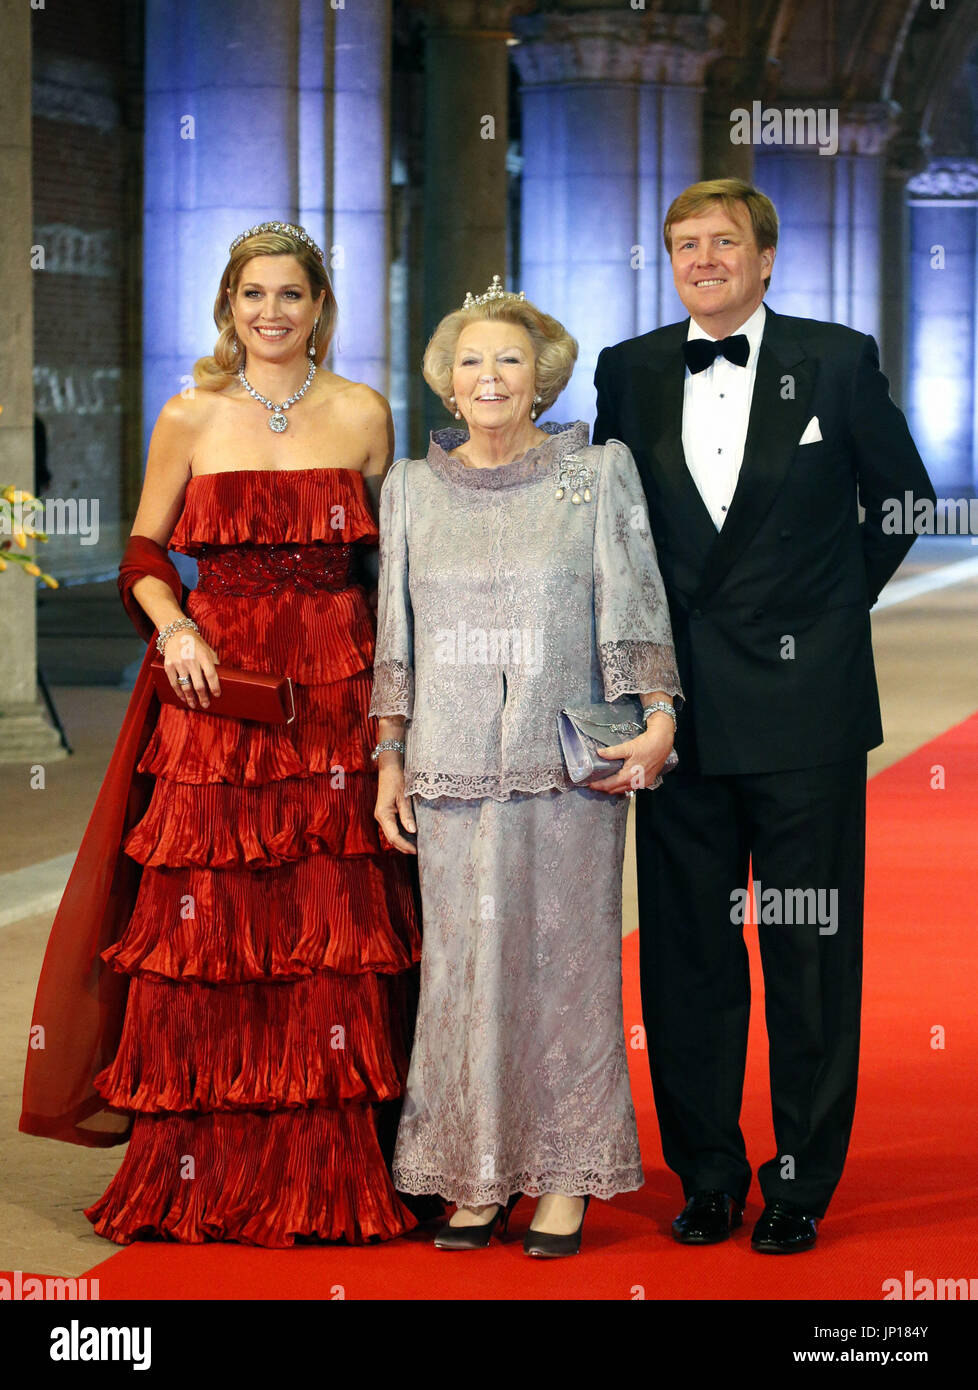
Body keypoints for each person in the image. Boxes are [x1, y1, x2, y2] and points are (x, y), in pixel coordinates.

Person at [21, 221, 423, 1245]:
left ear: (321, 306)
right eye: (254, 295)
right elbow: (144, 552)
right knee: (210, 927)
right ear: (227, 306)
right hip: (219, 694)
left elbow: (404, 572)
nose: (273, 313)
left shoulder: (365, 414)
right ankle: (202, 1171)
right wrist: (177, 623)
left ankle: (334, 1171)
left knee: (328, 927)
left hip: (336, 684)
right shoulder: (190, 415)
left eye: (292, 295)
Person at [593, 178, 936, 1253]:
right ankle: (707, 1173)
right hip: (676, 709)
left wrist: (829, 608)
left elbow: (900, 500)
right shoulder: (631, 368)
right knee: (688, 955)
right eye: (684, 243)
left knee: (806, 952)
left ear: (766, 256)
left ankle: (798, 1181)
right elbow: (614, 528)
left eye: (724, 242)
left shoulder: (837, 358)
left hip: (807, 711)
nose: (703, 259)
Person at [370, 276, 682, 1257]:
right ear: (448, 384)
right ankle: (472, 1172)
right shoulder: (412, 487)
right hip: (450, 767)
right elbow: (395, 638)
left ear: (541, 379)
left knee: (565, 972)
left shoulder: (597, 472)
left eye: (510, 358)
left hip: (565, 762)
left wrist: (661, 713)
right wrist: (387, 753)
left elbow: (631, 598)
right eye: (471, 360)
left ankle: (560, 1176)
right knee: (462, 976)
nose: (490, 375)